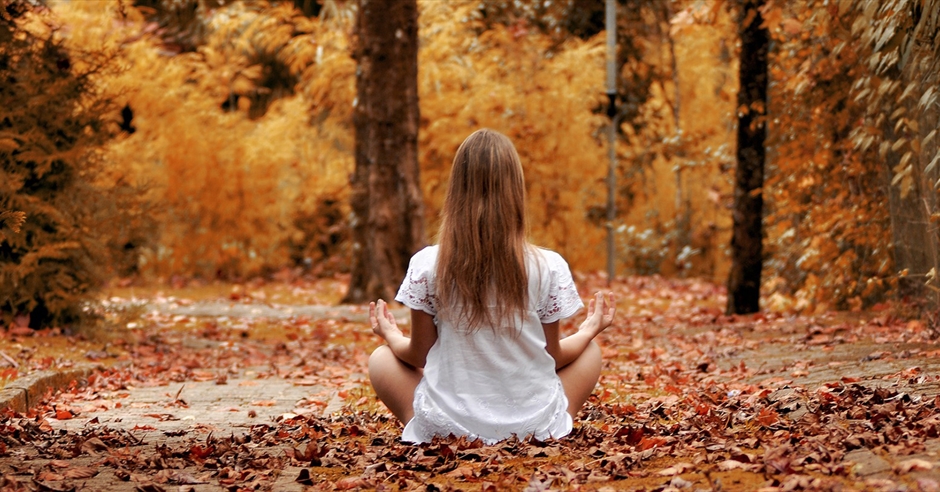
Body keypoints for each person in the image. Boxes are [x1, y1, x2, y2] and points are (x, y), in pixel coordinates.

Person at [368, 128, 616, 444]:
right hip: (530, 430)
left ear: (456, 191)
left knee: (381, 358)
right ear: (516, 191)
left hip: (449, 430)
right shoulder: (548, 266)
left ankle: (435, 429)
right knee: (589, 351)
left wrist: (390, 334)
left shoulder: (428, 264)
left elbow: (419, 355)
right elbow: (552, 357)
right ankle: (547, 427)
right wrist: (588, 330)